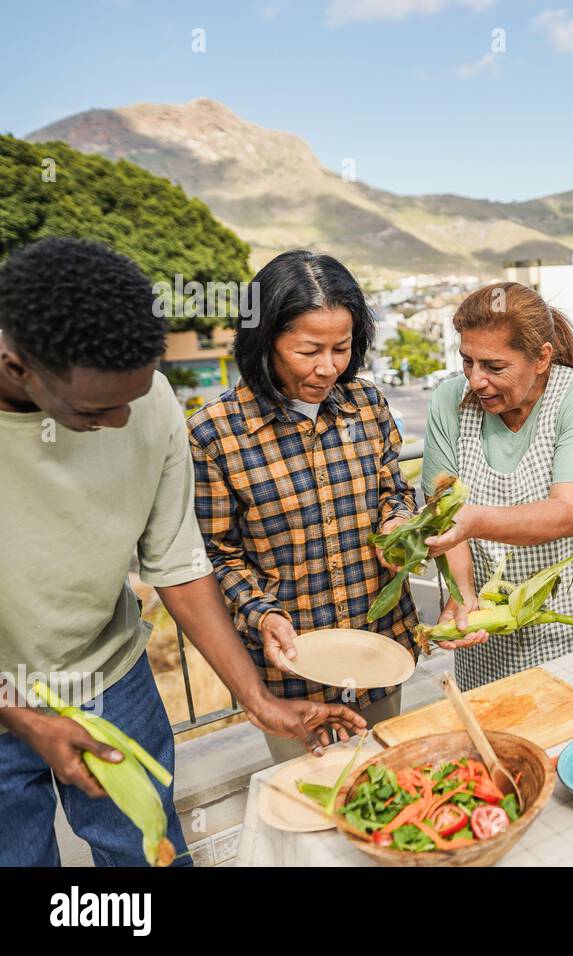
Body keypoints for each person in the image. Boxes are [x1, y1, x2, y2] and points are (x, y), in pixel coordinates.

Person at [0, 238, 363, 866]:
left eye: (133, 399)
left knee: (149, 858)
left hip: (112, 677)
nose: (121, 424)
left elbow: (179, 564)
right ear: (15, 367)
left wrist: (259, 701)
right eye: (95, 410)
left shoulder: (152, 402)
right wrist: (19, 713)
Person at [188, 251, 416, 763]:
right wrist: (261, 614)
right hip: (293, 669)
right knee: (314, 801)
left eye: (342, 348)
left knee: (388, 782)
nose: (327, 367)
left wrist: (398, 524)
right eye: (309, 350)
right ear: (265, 339)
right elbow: (216, 553)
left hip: (377, 646)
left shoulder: (367, 404)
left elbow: (392, 491)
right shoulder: (215, 433)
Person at [421, 282, 573, 690]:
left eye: (494, 367)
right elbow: (445, 516)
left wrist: (474, 520)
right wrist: (463, 593)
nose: (476, 380)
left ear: (541, 358)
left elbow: (569, 513)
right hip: (489, 626)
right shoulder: (449, 401)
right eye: (468, 361)